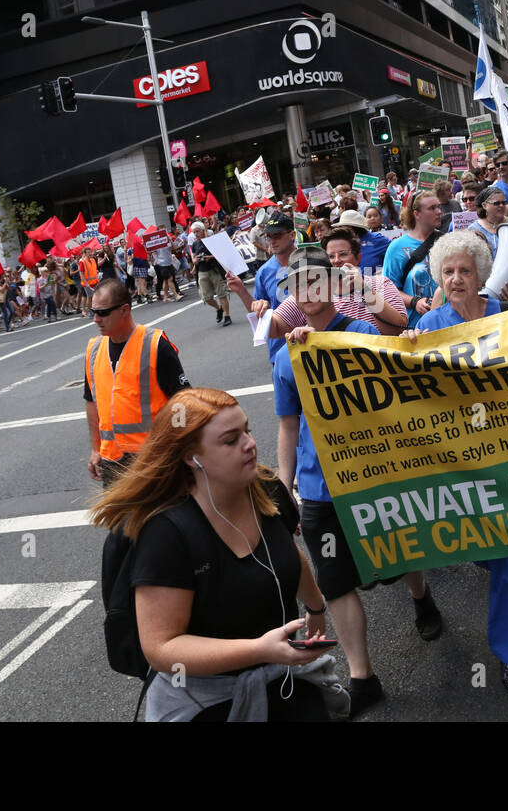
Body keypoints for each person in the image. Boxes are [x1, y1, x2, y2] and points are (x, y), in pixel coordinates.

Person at [91, 387, 340, 721]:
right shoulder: (167, 533)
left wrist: (316, 606)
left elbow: (287, 554)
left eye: (247, 430)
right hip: (207, 703)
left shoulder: (265, 489)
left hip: (285, 680)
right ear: (192, 457)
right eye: (230, 439)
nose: (250, 443)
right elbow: (162, 648)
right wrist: (257, 649)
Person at [274, 246, 442, 716]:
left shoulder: (363, 333)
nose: (307, 292)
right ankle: (363, 677)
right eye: (298, 284)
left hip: (374, 475)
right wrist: (285, 486)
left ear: (331, 285)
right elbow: (288, 425)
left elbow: (399, 370)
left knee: (401, 552)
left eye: (316, 281)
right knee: (334, 581)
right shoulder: (289, 353)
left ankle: (421, 597)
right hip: (319, 488)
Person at [408, 230, 508, 695]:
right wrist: (405, 347)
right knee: (489, 552)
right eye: (448, 272)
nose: (456, 279)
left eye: (465, 270)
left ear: (480, 274)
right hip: (461, 464)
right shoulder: (430, 329)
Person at [84, 277, 190, 486]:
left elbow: (182, 401)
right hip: (112, 460)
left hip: (153, 458)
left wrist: (181, 447)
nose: (96, 319)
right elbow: (91, 402)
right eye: (93, 312)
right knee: (120, 519)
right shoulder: (93, 350)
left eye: (103, 312)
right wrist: (96, 448)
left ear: (124, 310)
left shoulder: (155, 344)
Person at [267, 225, 407, 337]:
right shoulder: (311, 292)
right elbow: (272, 329)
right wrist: (260, 308)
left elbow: (398, 329)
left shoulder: (380, 283)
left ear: (358, 257)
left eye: (343, 254)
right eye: (330, 256)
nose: (337, 260)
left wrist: (365, 290)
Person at [228, 213, 297, 360]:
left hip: (312, 347)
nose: (272, 241)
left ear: (292, 235)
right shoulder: (264, 271)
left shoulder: (311, 261)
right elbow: (258, 313)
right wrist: (241, 291)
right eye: (268, 236)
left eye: (277, 235)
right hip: (280, 352)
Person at [383, 190, 442, 326]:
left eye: (438, 207)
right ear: (416, 214)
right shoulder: (397, 247)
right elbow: (389, 290)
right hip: (414, 326)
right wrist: (414, 302)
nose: (439, 211)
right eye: (432, 208)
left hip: (446, 321)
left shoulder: (448, 240)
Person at [189, 222, 232, 327]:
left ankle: (227, 316)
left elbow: (221, 253)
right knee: (206, 297)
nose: (196, 234)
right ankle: (219, 308)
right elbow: (193, 258)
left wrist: (210, 257)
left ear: (203, 230)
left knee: (221, 294)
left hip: (214, 270)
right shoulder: (195, 244)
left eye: (198, 231)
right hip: (202, 272)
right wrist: (196, 261)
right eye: (194, 232)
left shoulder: (211, 241)